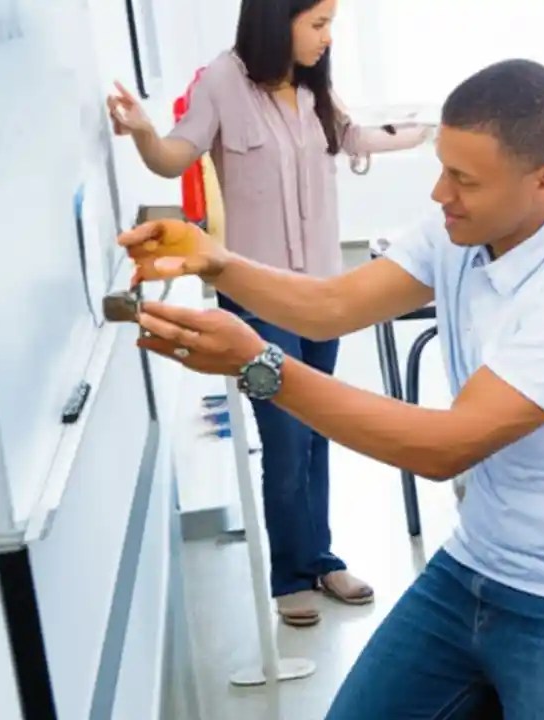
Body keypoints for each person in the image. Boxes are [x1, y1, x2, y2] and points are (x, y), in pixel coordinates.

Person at [118, 58, 544, 719]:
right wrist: (218, 261)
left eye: (464, 179)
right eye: (442, 167)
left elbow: (445, 448)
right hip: (475, 564)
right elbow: (330, 306)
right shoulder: (461, 232)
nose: (441, 194)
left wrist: (259, 367)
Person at [106, 0, 431, 627]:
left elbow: (352, 137)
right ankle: (289, 575)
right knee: (285, 437)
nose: (327, 37)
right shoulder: (222, 81)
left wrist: (428, 133)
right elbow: (174, 156)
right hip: (258, 296)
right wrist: (144, 132)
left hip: (322, 296)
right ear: (276, 19)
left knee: (319, 430)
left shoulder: (313, 86)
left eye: (331, 24)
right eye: (318, 24)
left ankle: (322, 558)